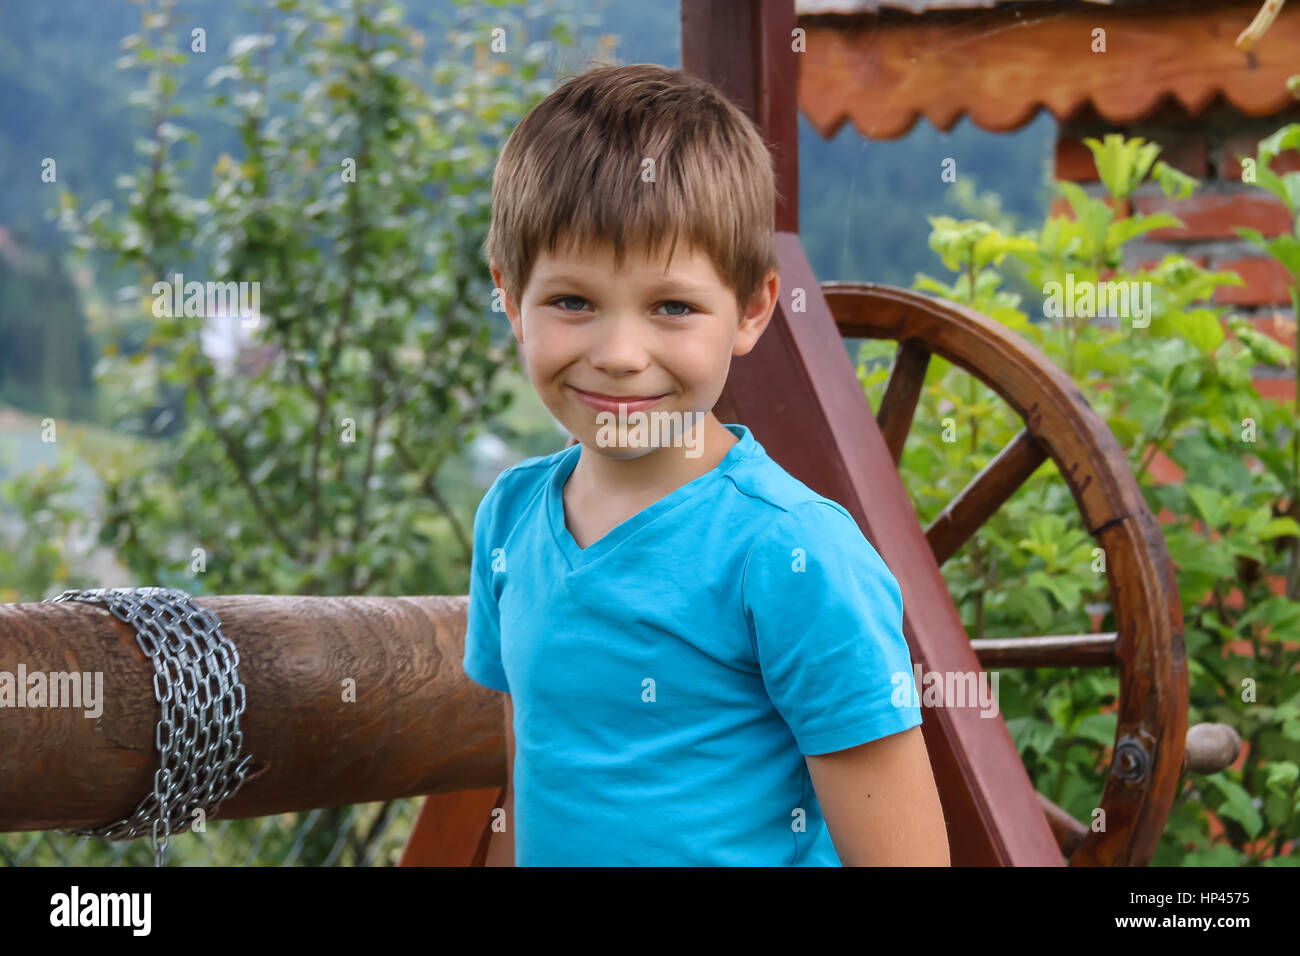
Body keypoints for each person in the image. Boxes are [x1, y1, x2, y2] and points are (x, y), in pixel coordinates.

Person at [463, 62, 949, 866]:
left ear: (753, 308)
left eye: (672, 307)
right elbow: (532, 770)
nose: (620, 355)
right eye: (573, 302)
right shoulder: (509, 520)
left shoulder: (793, 555)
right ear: (510, 297)